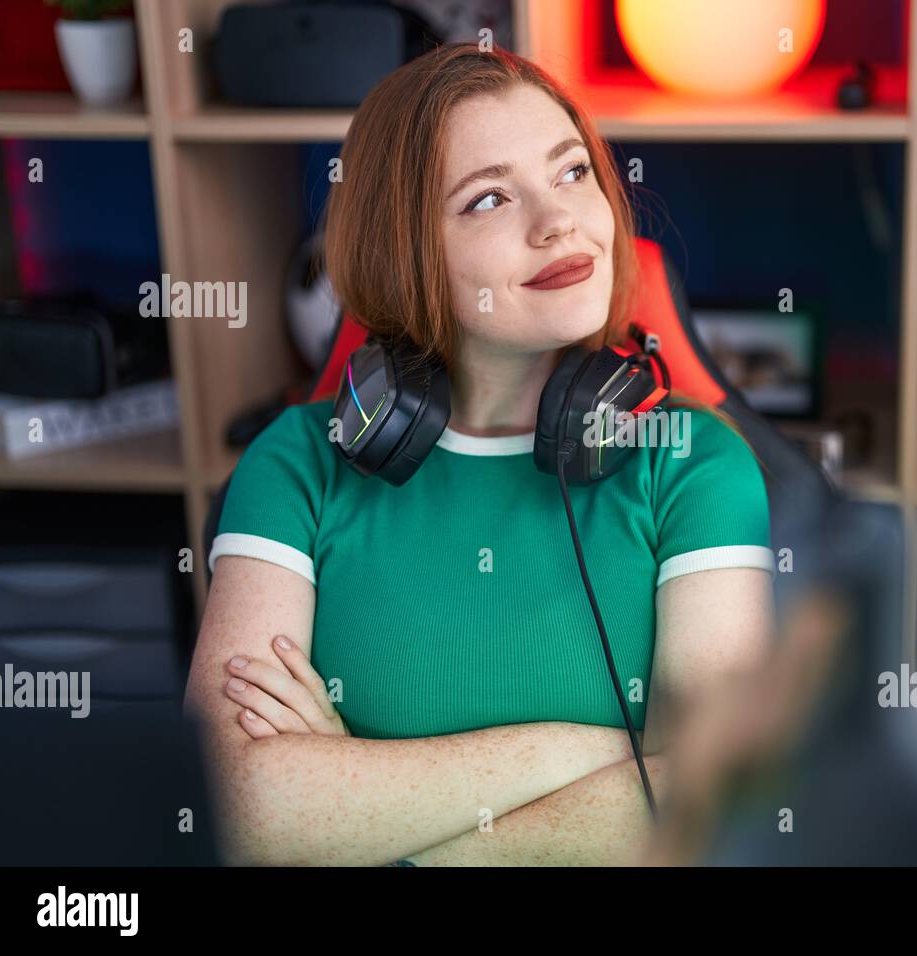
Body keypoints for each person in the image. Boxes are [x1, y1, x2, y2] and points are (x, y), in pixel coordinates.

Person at [183, 42, 776, 867]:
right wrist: (614, 754)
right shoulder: (296, 463)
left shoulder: (692, 462)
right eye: (489, 198)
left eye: (573, 173)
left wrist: (350, 798)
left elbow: (715, 810)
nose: (559, 220)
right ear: (403, 251)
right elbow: (228, 809)